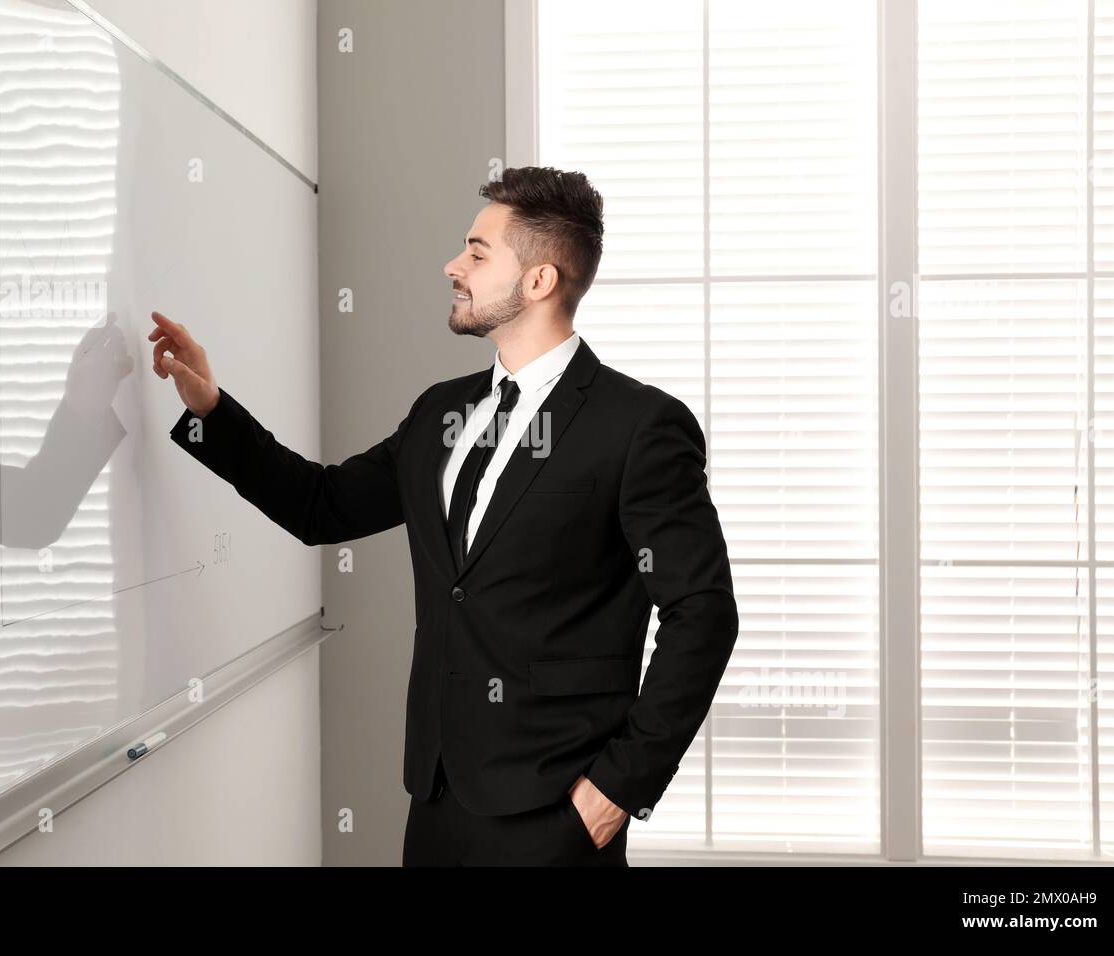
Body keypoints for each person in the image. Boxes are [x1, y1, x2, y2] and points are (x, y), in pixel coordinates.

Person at [150, 165, 738, 866]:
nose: (452, 266)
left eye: (477, 252)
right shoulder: (442, 412)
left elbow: (703, 613)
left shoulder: (639, 426)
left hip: (559, 813)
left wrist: (617, 789)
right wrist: (213, 412)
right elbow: (323, 506)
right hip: (434, 800)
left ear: (539, 281)